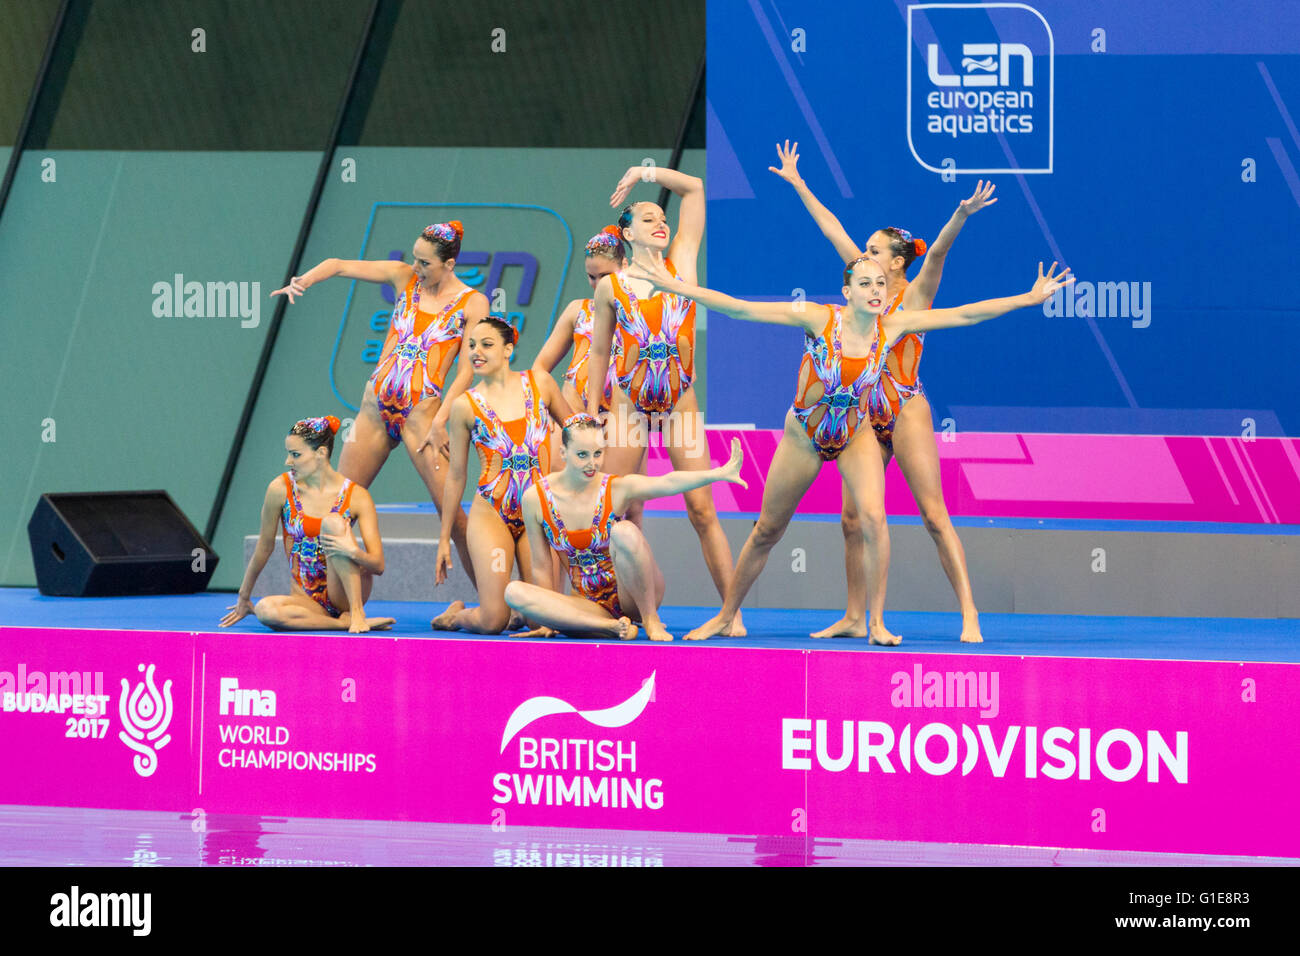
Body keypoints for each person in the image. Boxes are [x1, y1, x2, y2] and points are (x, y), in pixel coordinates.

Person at [626, 254, 1073, 642]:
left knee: (875, 519)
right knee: (767, 531)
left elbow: (964, 316)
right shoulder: (819, 319)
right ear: (847, 292)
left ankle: (875, 622)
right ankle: (725, 615)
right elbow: (742, 310)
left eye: (880, 283)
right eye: (866, 284)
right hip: (804, 435)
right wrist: (676, 287)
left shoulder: (893, 326)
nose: (876, 290)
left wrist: (1026, 299)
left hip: (855, 435)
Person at [771, 141, 997, 642]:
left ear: (897, 264)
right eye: (864, 252)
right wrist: (799, 182)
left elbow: (936, 252)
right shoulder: (863, 283)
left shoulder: (915, 294)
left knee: (934, 514)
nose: (862, 254)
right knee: (853, 519)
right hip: (862, 419)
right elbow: (831, 226)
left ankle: (969, 613)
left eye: (874, 251)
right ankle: (856, 616)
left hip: (904, 410)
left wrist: (959, 215)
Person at [271, 221, 482, 586]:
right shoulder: (404, 278)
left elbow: (466, 372)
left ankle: (491, 602)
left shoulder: (472, 303)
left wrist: (441, 419)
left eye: (425, 263)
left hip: (421, 419)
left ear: (449, 264)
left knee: (454, 518)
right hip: (374, 411)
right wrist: (304, 280)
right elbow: (338, 264)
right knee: (337, 509)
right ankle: (321, 596)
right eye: (414, 259)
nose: (416, 267)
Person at [583, 164, 745, 634]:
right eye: (648, 218)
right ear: (627, 233)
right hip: (629, 406)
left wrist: (640, 173)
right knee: (617, 509)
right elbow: (598, 352)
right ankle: (622, 607)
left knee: (702, 509)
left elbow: (694, 187)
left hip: (679, 403)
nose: (660, 221)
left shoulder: (683, 263)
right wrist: (594, 410)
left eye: (662, 216)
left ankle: (730, 613)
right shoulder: (611, 287)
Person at [504, 415, 747, 641]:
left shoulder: (616, 488)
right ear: (563, 452)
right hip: (589, 605)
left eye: (598, 454)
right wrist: (548, 617)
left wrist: (717, 473)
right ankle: (611, 628)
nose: (592, 464)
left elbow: (668, 482)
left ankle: (650, 619)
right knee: (514, 592)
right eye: (582, 455)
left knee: (625, 531)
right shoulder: (535, 498)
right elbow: (542, 566)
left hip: (633, 593)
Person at [432, 318, 575, 633]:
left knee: (544, 620)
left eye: (486, 344)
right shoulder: (464, 406)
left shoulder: (541, 383)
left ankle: (520, 610)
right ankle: (457, 615)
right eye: (471, 345)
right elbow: (456, 476)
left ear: (508, 349)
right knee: (493, 620)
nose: (475, 352)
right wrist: (444, 538)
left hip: (536, 515)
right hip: (492, 515)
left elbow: (576, 431)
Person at [221, 416, 394, 634]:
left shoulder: (357, 496)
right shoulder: (280, 489)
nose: (288, 461)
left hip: (343, 594)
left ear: (321, 453)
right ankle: (341, 623)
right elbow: (264, 547)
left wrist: (352, 551)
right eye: (288, 453)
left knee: (332, 523)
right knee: (265, 610)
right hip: (305, 600)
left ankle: (357, 613)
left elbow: (378, 565)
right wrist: (244, 597)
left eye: (295, 455)